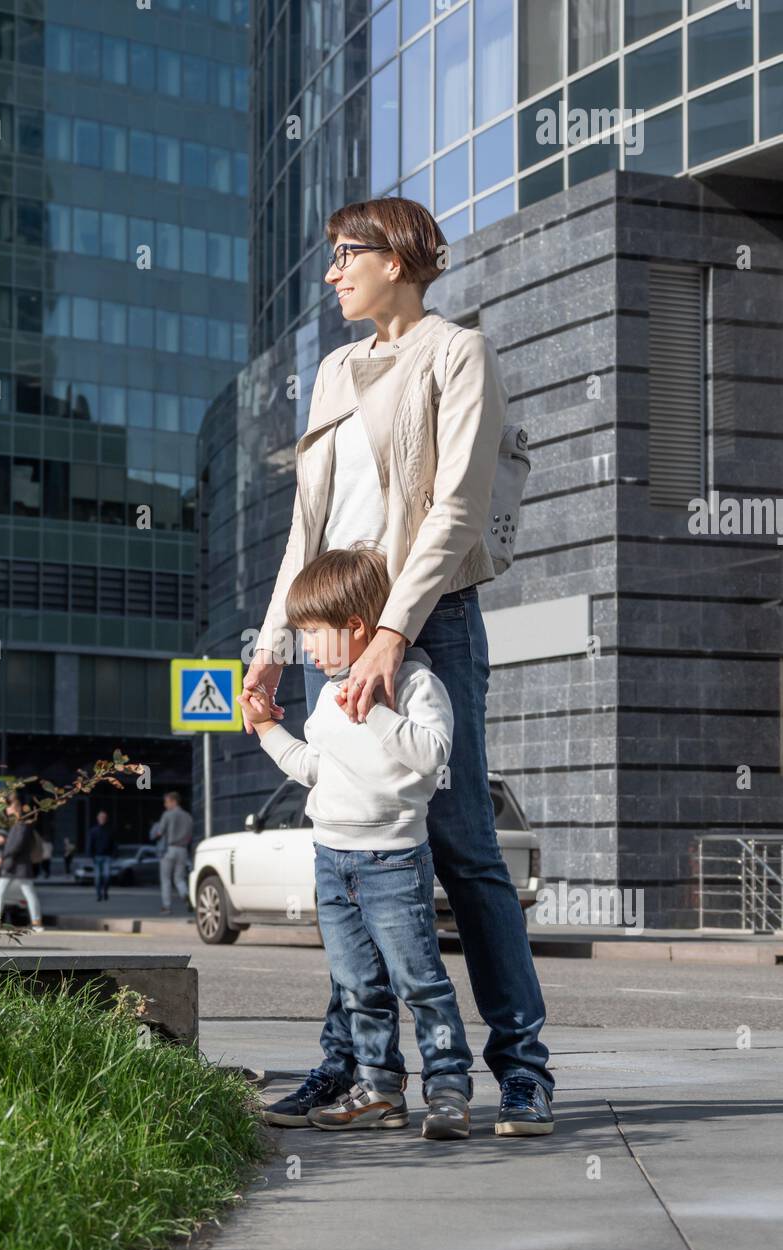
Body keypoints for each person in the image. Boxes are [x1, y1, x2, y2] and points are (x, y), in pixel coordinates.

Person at [240, 196, 554, 1138]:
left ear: (401, 257)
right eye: (332, 255)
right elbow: (307, 528)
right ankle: (356, 1073)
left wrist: (393, 635)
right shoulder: (335, 368)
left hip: (427, 627)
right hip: (329, 633)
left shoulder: (459, 353)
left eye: (346, 253)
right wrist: (269, 648)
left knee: (461, 849)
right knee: (346, 850)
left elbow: (454, 508)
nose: (332, 272)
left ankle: (523, 1072)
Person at [243, 546, 476, 1139]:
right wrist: (269, 729)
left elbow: (430, 759)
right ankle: (377, 1089)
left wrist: (370, 709)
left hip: (393, 861)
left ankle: (448, 1088)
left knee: (419, 981)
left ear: (355, 628)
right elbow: (315, 768)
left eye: (314, 636)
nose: (307, 651)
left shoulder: (415, 682)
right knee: (357, 985)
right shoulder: (325, 698)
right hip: (332, 861)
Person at [0, 797, 43, 932]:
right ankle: (36, 922)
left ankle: (36, 923)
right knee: (4, 892)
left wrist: (1, 859)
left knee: (24, 893)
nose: (7, 810)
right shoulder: (18, 824)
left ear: (17, 809)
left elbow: (15, 846)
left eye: (10, 808)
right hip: (16, 866)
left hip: (17, 865)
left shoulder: (22, 825)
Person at [149, 792, 193, 916]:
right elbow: (190, 836)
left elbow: (160, 832)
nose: (165, 804)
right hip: (183, 850)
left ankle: (166, 907)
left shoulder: (167, 815)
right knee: (179, 878)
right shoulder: (188, 816)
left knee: (166, 879)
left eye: (167, 802)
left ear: (174, 801)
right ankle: (186, 896)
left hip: (169, 849)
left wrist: (155, 835)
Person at [86, 810, 116, 902]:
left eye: (104, 817)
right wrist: (90, 855)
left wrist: (114, 854)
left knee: (107, 876)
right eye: (101, 817)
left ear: (106, 819)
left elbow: (114, 843)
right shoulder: (93, 830)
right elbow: (90, 843)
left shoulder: (110, 830)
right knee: (98, 878)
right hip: (97, 857)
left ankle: (105, 892)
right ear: (98, 818)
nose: (102, 819)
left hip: (107, 857)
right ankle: (99, 895)